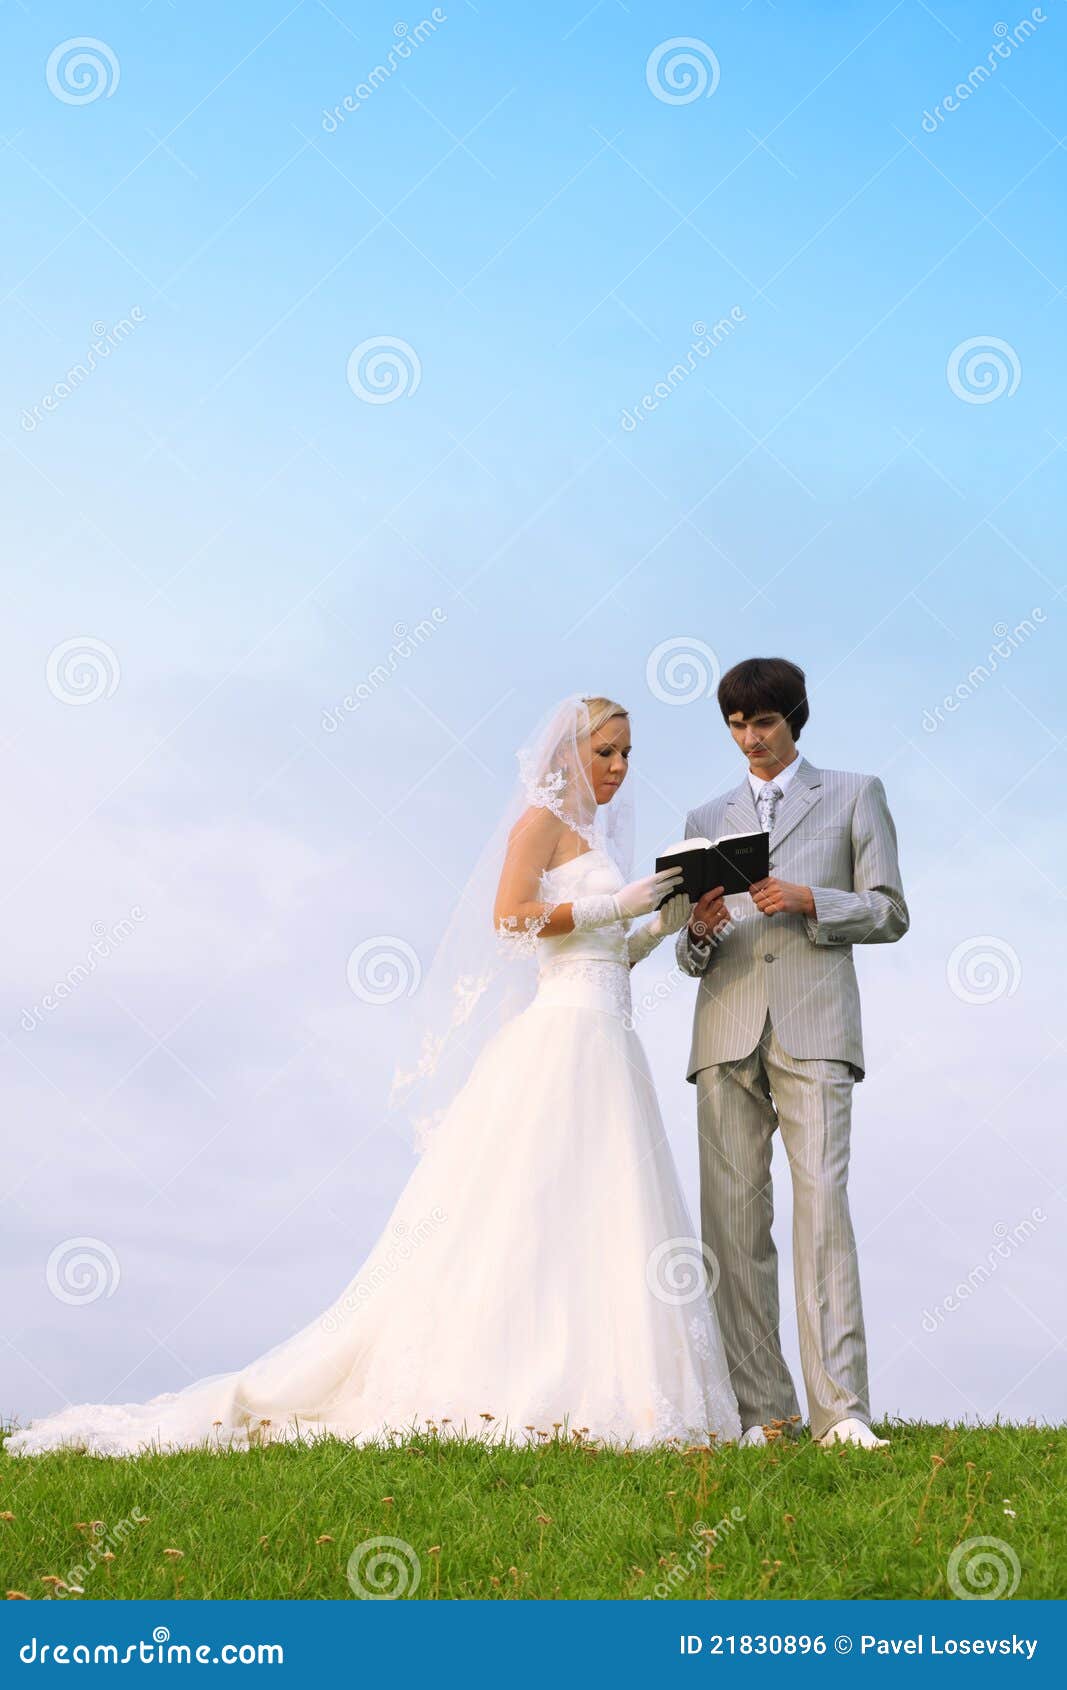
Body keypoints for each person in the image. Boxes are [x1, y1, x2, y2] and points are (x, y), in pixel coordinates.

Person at [5, 694, 740, 1458]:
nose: (618, 768)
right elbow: (509, 918)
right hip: (560, 1036)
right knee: (533, 1201)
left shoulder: (596, 838)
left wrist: (657, 923)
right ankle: (507, 1380)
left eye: (626, 755)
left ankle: (614, 1386)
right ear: (566, 756)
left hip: (608, 1038)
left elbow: (606, 954)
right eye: (604, 752)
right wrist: (611, 904)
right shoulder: (539, 823)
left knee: (603, 1204)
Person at [676, 657, 908, 1449]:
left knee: (821, 1213)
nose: (750, 739)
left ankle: (840, 1413)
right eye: (736, 726)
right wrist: (698, 930)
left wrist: (813, 900)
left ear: (794, 718)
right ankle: (762, 1415)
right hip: (724, 1032)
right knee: (731, 1227)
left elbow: (889, 912)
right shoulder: (703, 816)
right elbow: (687, 955)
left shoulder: (854, 793)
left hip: (815, 1027)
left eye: (763, 723)